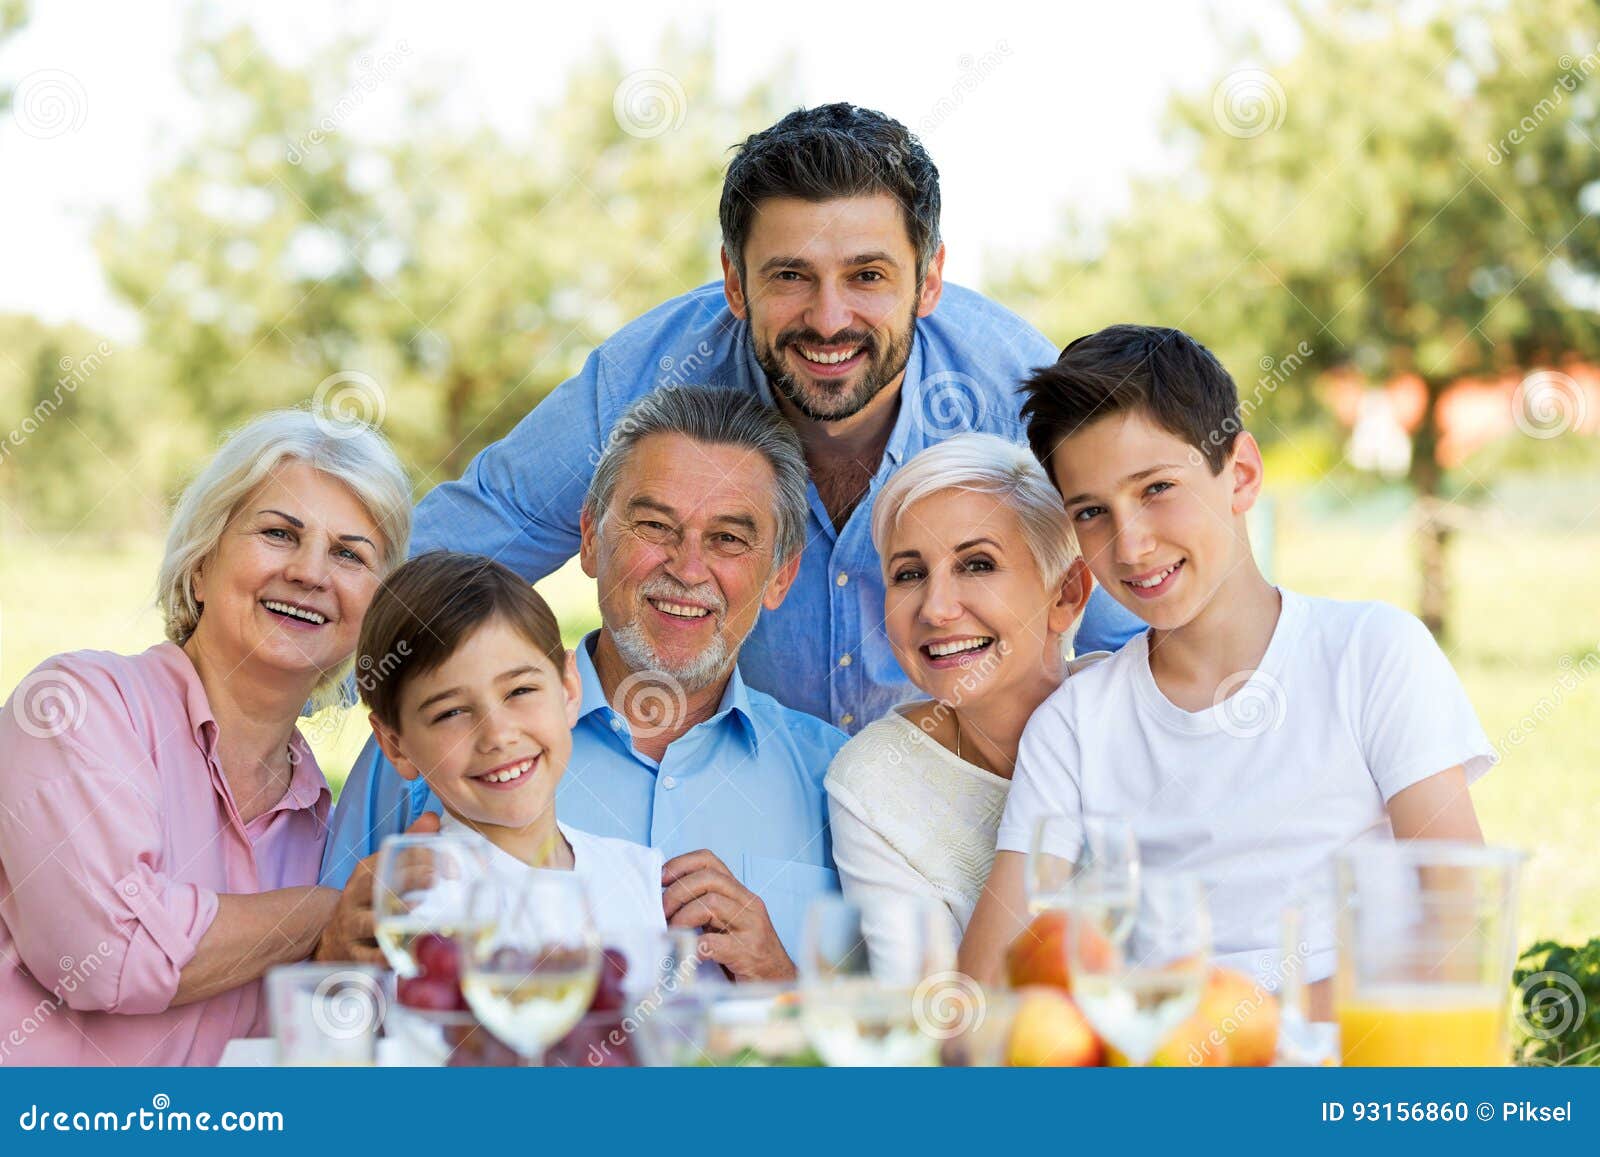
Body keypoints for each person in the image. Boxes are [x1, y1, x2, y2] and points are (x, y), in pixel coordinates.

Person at [385, 101, 1141, 737]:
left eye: (868, 276)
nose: (829, 318)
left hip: (958, 817)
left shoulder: (1018, 398)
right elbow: (470, 540)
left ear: (930, 278)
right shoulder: (650, 380)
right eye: (789, 276)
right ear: (734, 282)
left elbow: (1134, 635)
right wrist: (288, 670)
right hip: (740, 823)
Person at [959, 325, 1493, 999]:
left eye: (1156, 488)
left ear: (1239, 474)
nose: (1131, 543)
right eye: (1092, 511)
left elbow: (1466, 926)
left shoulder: (1370, 652)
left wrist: (1232, 1032)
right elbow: (983, 982)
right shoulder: (1075, 725)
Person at [323, 387, 846, 980]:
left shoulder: (839, 780)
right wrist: (336, 951)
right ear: (592, 539)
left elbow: (892, 1051)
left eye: (728, 538)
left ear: (780, 575)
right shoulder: (430, 737)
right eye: (654, 526)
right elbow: (319, 1007)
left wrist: (783, 981)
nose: (688, 567)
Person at [0, 411, 412, 1065]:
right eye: (279, 532)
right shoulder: (78, 707)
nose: (311, 572)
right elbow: (107, 954)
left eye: (349, 553)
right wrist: (323, 910)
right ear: (200, 564)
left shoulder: (321, 820)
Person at [824, 434, 1103, 959]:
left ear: (1065, 594)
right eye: (909, 574)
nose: (936, 608)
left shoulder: (1135, 708)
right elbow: (925, 1015)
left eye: (976, 564)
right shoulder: (876, 779)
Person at [356, 551, 666, 966]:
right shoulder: (422, 909)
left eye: (519, 691)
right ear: (396, 746)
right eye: (450, 713)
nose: (498, 736)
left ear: (570, 689)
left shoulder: (635, 874)